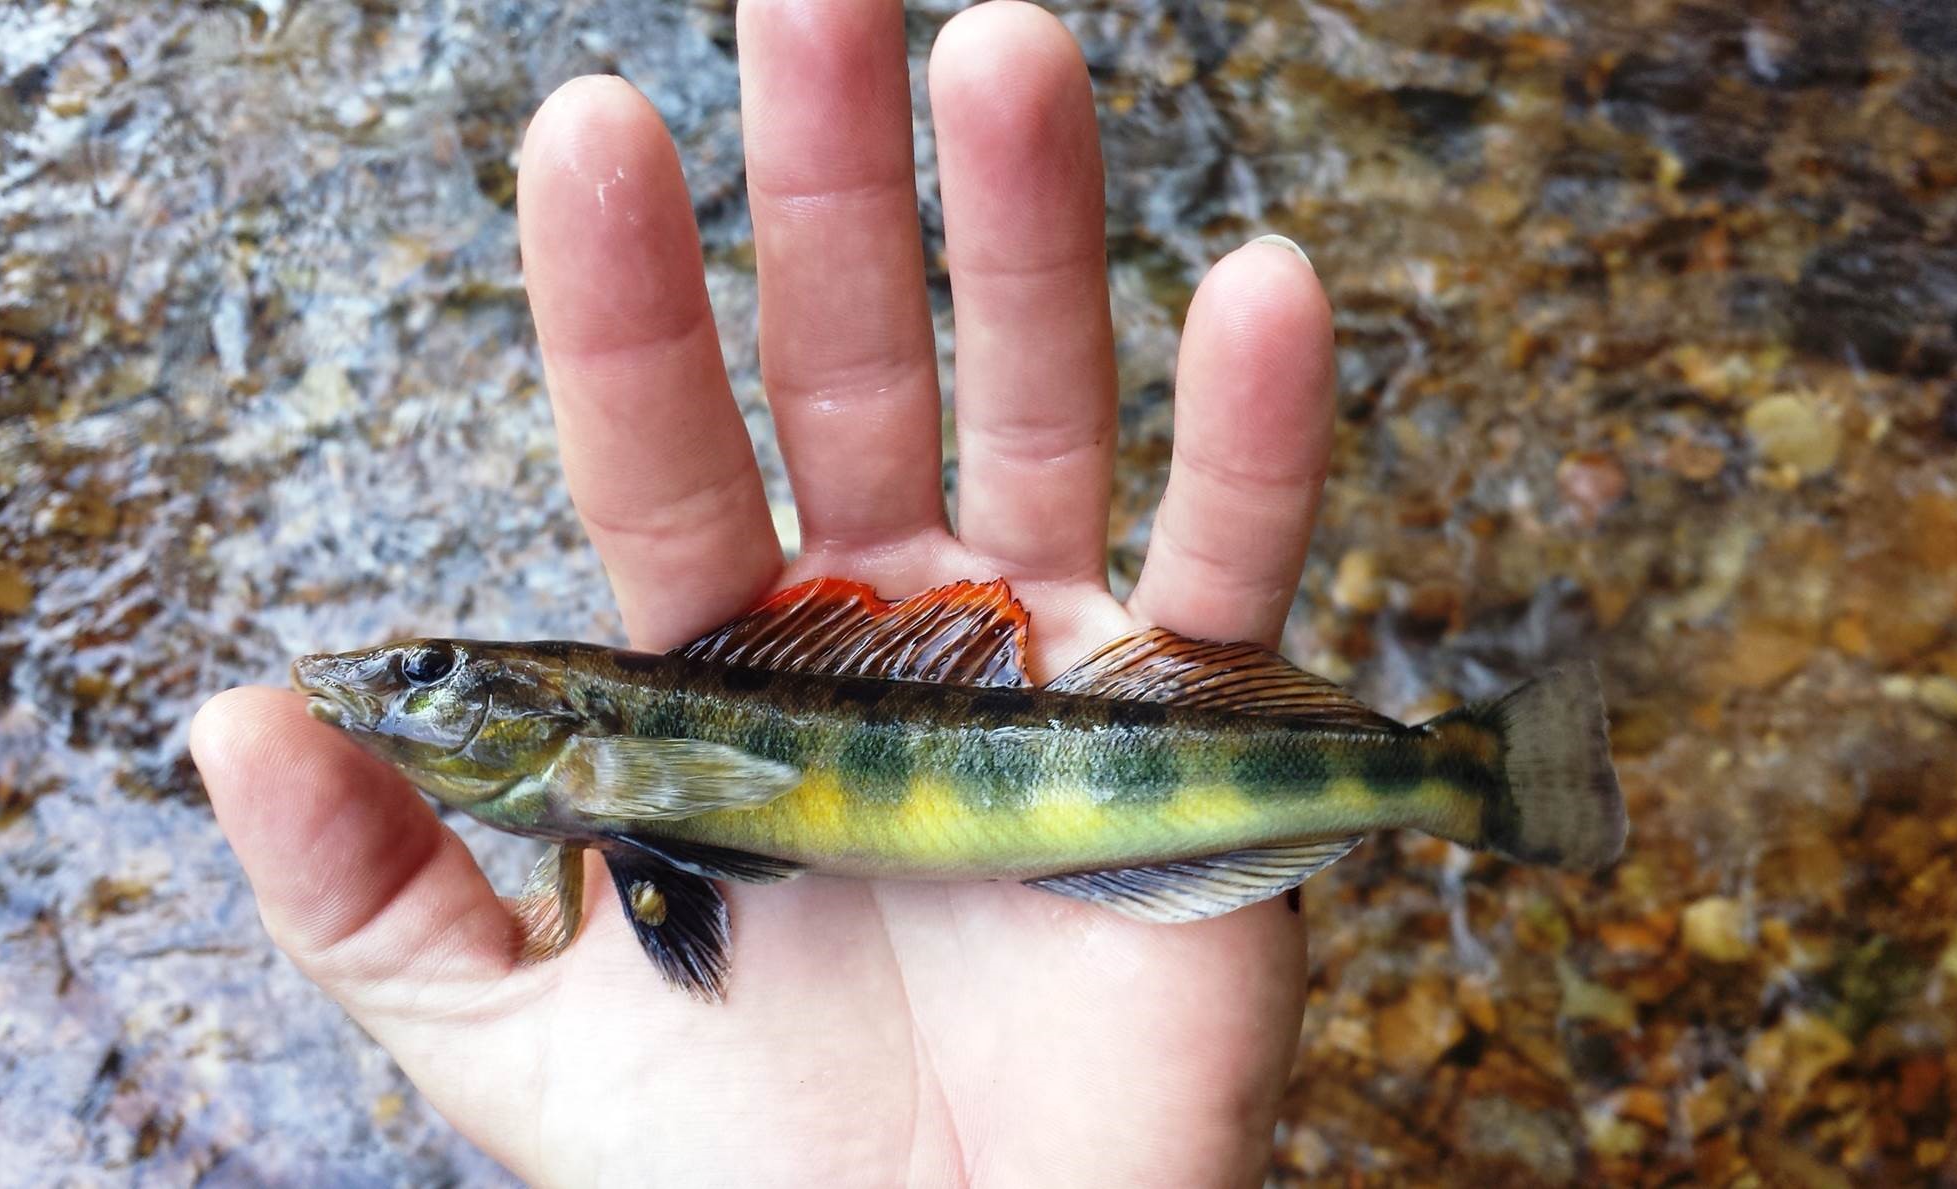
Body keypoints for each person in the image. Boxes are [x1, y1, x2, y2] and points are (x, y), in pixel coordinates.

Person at [191, 1, 1336, 1183]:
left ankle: (1445, 771)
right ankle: (1432, 769)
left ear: (555, 716)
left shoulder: (602, 769)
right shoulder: (597, 785)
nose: (394, 685)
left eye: (430, 671)